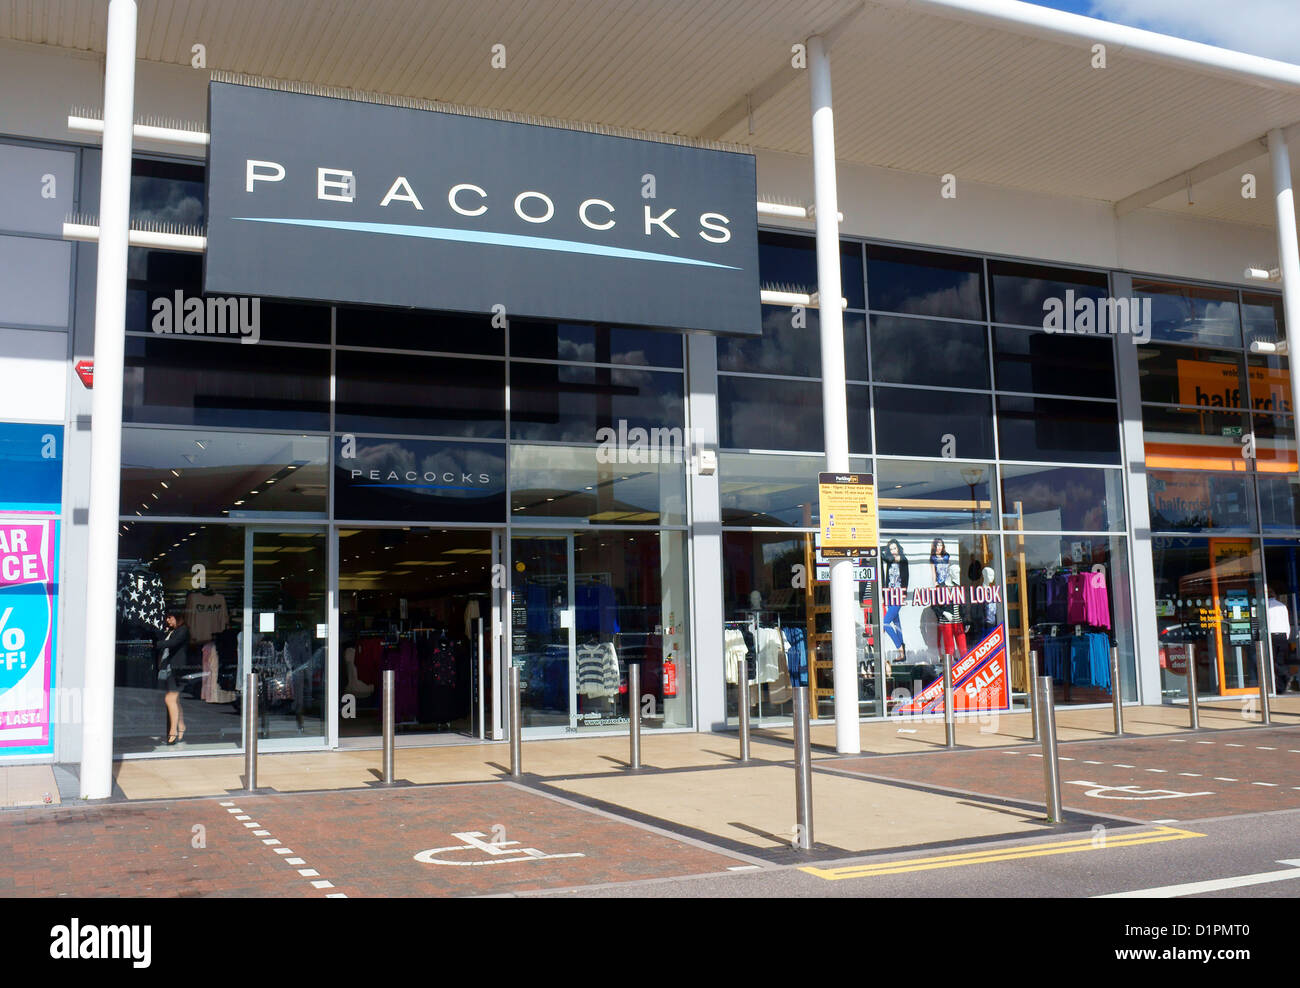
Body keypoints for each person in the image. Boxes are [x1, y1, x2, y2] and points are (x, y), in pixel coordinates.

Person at [156, 611, 190, 745]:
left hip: (177, 669)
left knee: (170, 698)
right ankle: (181, 726)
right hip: (170, 668)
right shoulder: (173, 631)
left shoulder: (183, 630)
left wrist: (155, 644)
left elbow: (173, 643)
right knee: (175, 700)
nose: (167, 621)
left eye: (170, 618)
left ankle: (173, 732)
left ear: (177, 617)